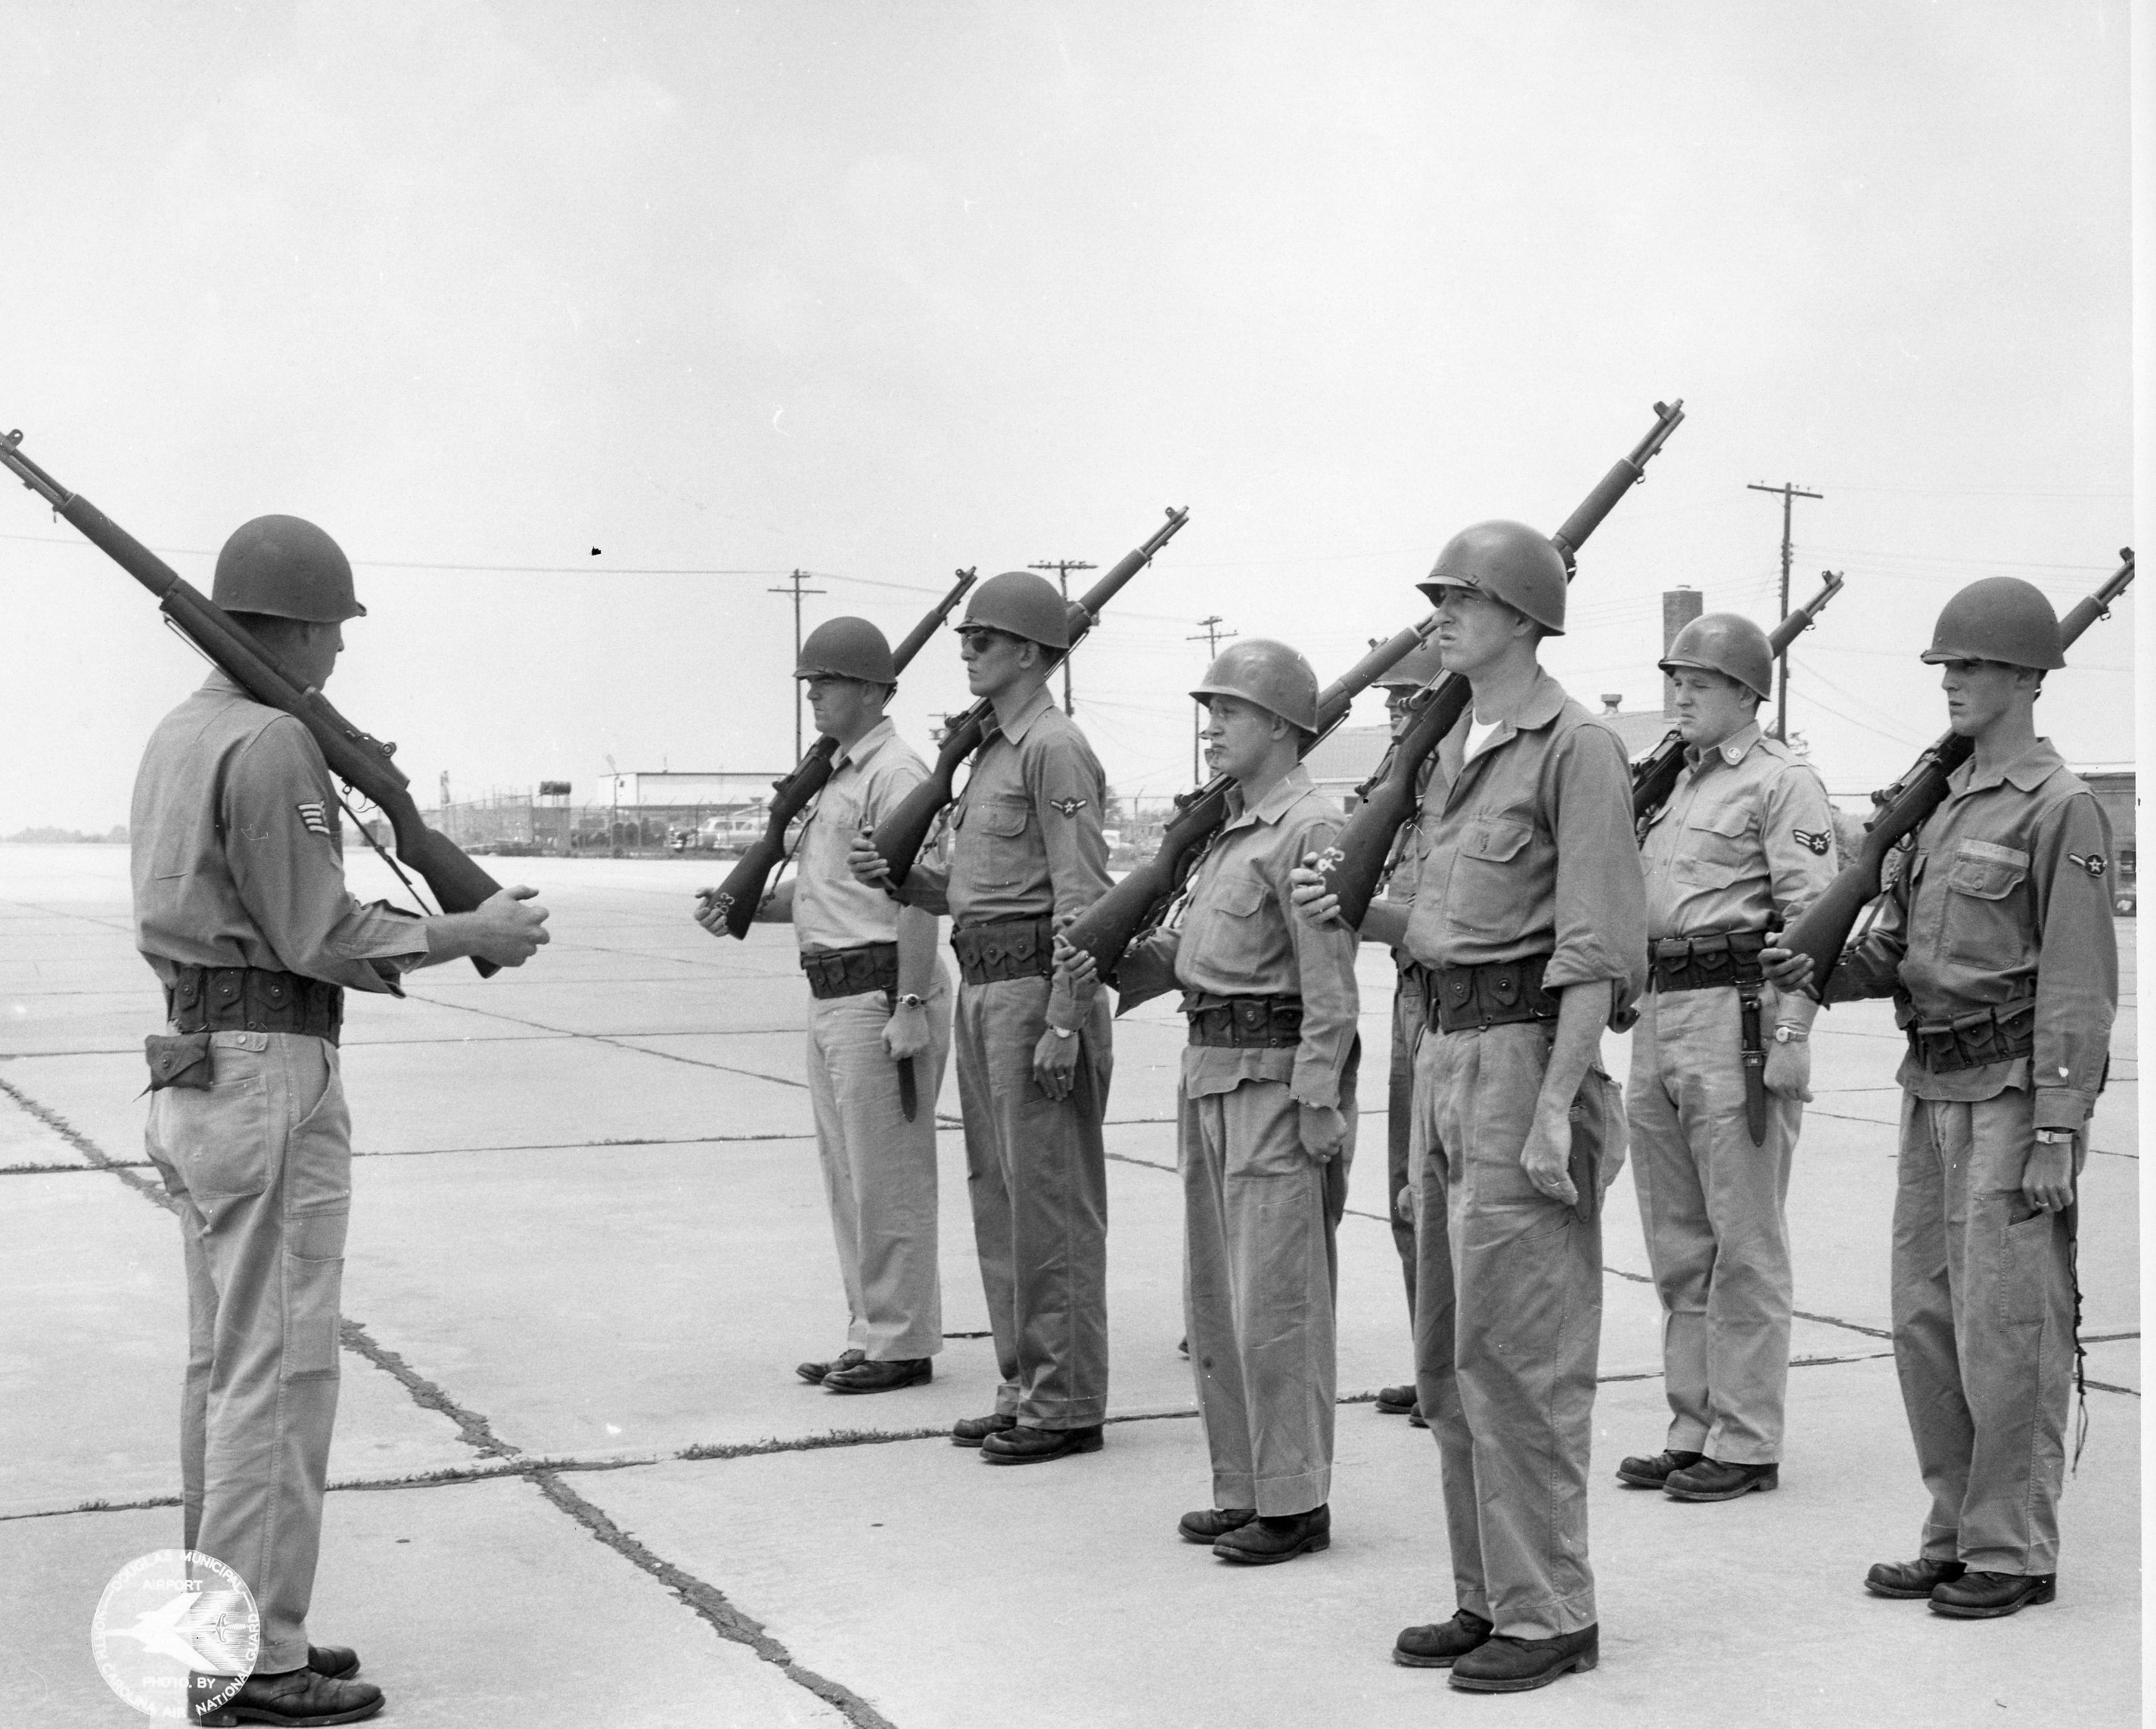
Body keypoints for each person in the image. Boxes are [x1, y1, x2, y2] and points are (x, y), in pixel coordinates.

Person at [132, 516, 550, 1728]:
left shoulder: (182, 732)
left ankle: (228, 1632)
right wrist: (469, 934)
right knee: (280, 1366)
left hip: (197, 1062)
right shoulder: (270, 742)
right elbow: (317, 930)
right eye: (335, 629)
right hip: (270, 1067)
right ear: (301, 624)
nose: (340, 653)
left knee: (224, 1365)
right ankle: (260, 1662)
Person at [1294, 519, 1644, 1693]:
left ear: (1522, 615)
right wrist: (1348, 903)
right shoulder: (1453, 749)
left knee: (1522, 1354)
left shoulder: (1574, 746)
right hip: (1441, 1053)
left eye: (1459, 596)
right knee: (1448, 1357)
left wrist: (1554, 1109)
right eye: (1436, 595)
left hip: (1517, 1062)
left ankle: (1549, 1610)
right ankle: (1485, 1591)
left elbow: (1593, 948)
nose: (1437, 613)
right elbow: (1449, 926)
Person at [1763, 576, 2114, 1620]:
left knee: (2007, 1327)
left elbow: (2078, 982)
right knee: (1926, 1322)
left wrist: (2058, 1125)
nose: (1951, 682)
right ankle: (1953, 1528)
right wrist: (1817, 966)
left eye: (1967, 666)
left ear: (2025, 675)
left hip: (2011, 1095)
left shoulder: (2062, 807)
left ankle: (2010, 1547)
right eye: (1945, 667)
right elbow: (1909, 950)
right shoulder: (1942, 804)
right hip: (1930, 1085)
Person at [1073, 641, 1358, 1563]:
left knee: (1279, 1302)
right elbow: (1201, 954)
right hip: (1210, 1073)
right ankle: (1244, 1485)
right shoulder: (1231, 828)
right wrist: (1111, 957)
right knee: (1221, 1302)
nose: (1212, 726)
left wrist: (1319, 1095)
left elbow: (1330, 981)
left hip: (1275, 1083)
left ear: (1280, 723)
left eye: (1229, 710)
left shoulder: (1312, 825)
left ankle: (1295, 1498)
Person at [850, 571, 1114, 1464]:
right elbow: (983, 891)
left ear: (1034, 653)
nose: (967, 651)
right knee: (999, 1200)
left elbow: (1082, 898)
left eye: (985, 640)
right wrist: (905, 879)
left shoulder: (1053, 748)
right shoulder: (990, 752)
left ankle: (1067, 1398)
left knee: (1051, 1205)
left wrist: (1067, 1020)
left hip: (1040, 989)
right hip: (986, 983)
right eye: (966, 638)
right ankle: (1024, 1383)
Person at [700, 617, 952, 1395]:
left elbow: (913, 897)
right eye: (812, 681)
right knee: (849, 1177)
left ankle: (902, 1340)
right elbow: (837, 891)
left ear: (875, 690)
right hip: (833, 989)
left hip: (880, 989)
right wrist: (744, 903)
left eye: (830, 680)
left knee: (889, 1177)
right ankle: (871, 1330)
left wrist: (909, 1001)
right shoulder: (837, 775)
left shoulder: (897, 773)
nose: (815, 693)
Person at [1617, 614, 1836, 1503]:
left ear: (1750, 693)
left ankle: (1746, 1439)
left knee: (1743, 1241)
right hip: (1661, 1009)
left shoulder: (1783, 783)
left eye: (1701, 682)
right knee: (1677, 1241)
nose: (1681, 695)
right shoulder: (1671, 783)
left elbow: (1815, 921)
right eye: (1676, 679)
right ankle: (1693, 1423)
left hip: (1734, 1016)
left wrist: (1791, 1035)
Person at [1359, 638, 1449, 1425]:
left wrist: (1351, 906)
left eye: (1410, 700)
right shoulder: (1402, 796)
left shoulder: (1458, 791)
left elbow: (1440, 918)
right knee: (1405, 1196)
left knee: (1444, 1192)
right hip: (1408, 999)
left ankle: (1453, 1371)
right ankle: (1432, 1364)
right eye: (1390, 701)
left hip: (1454, 1001)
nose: (1394, 712)